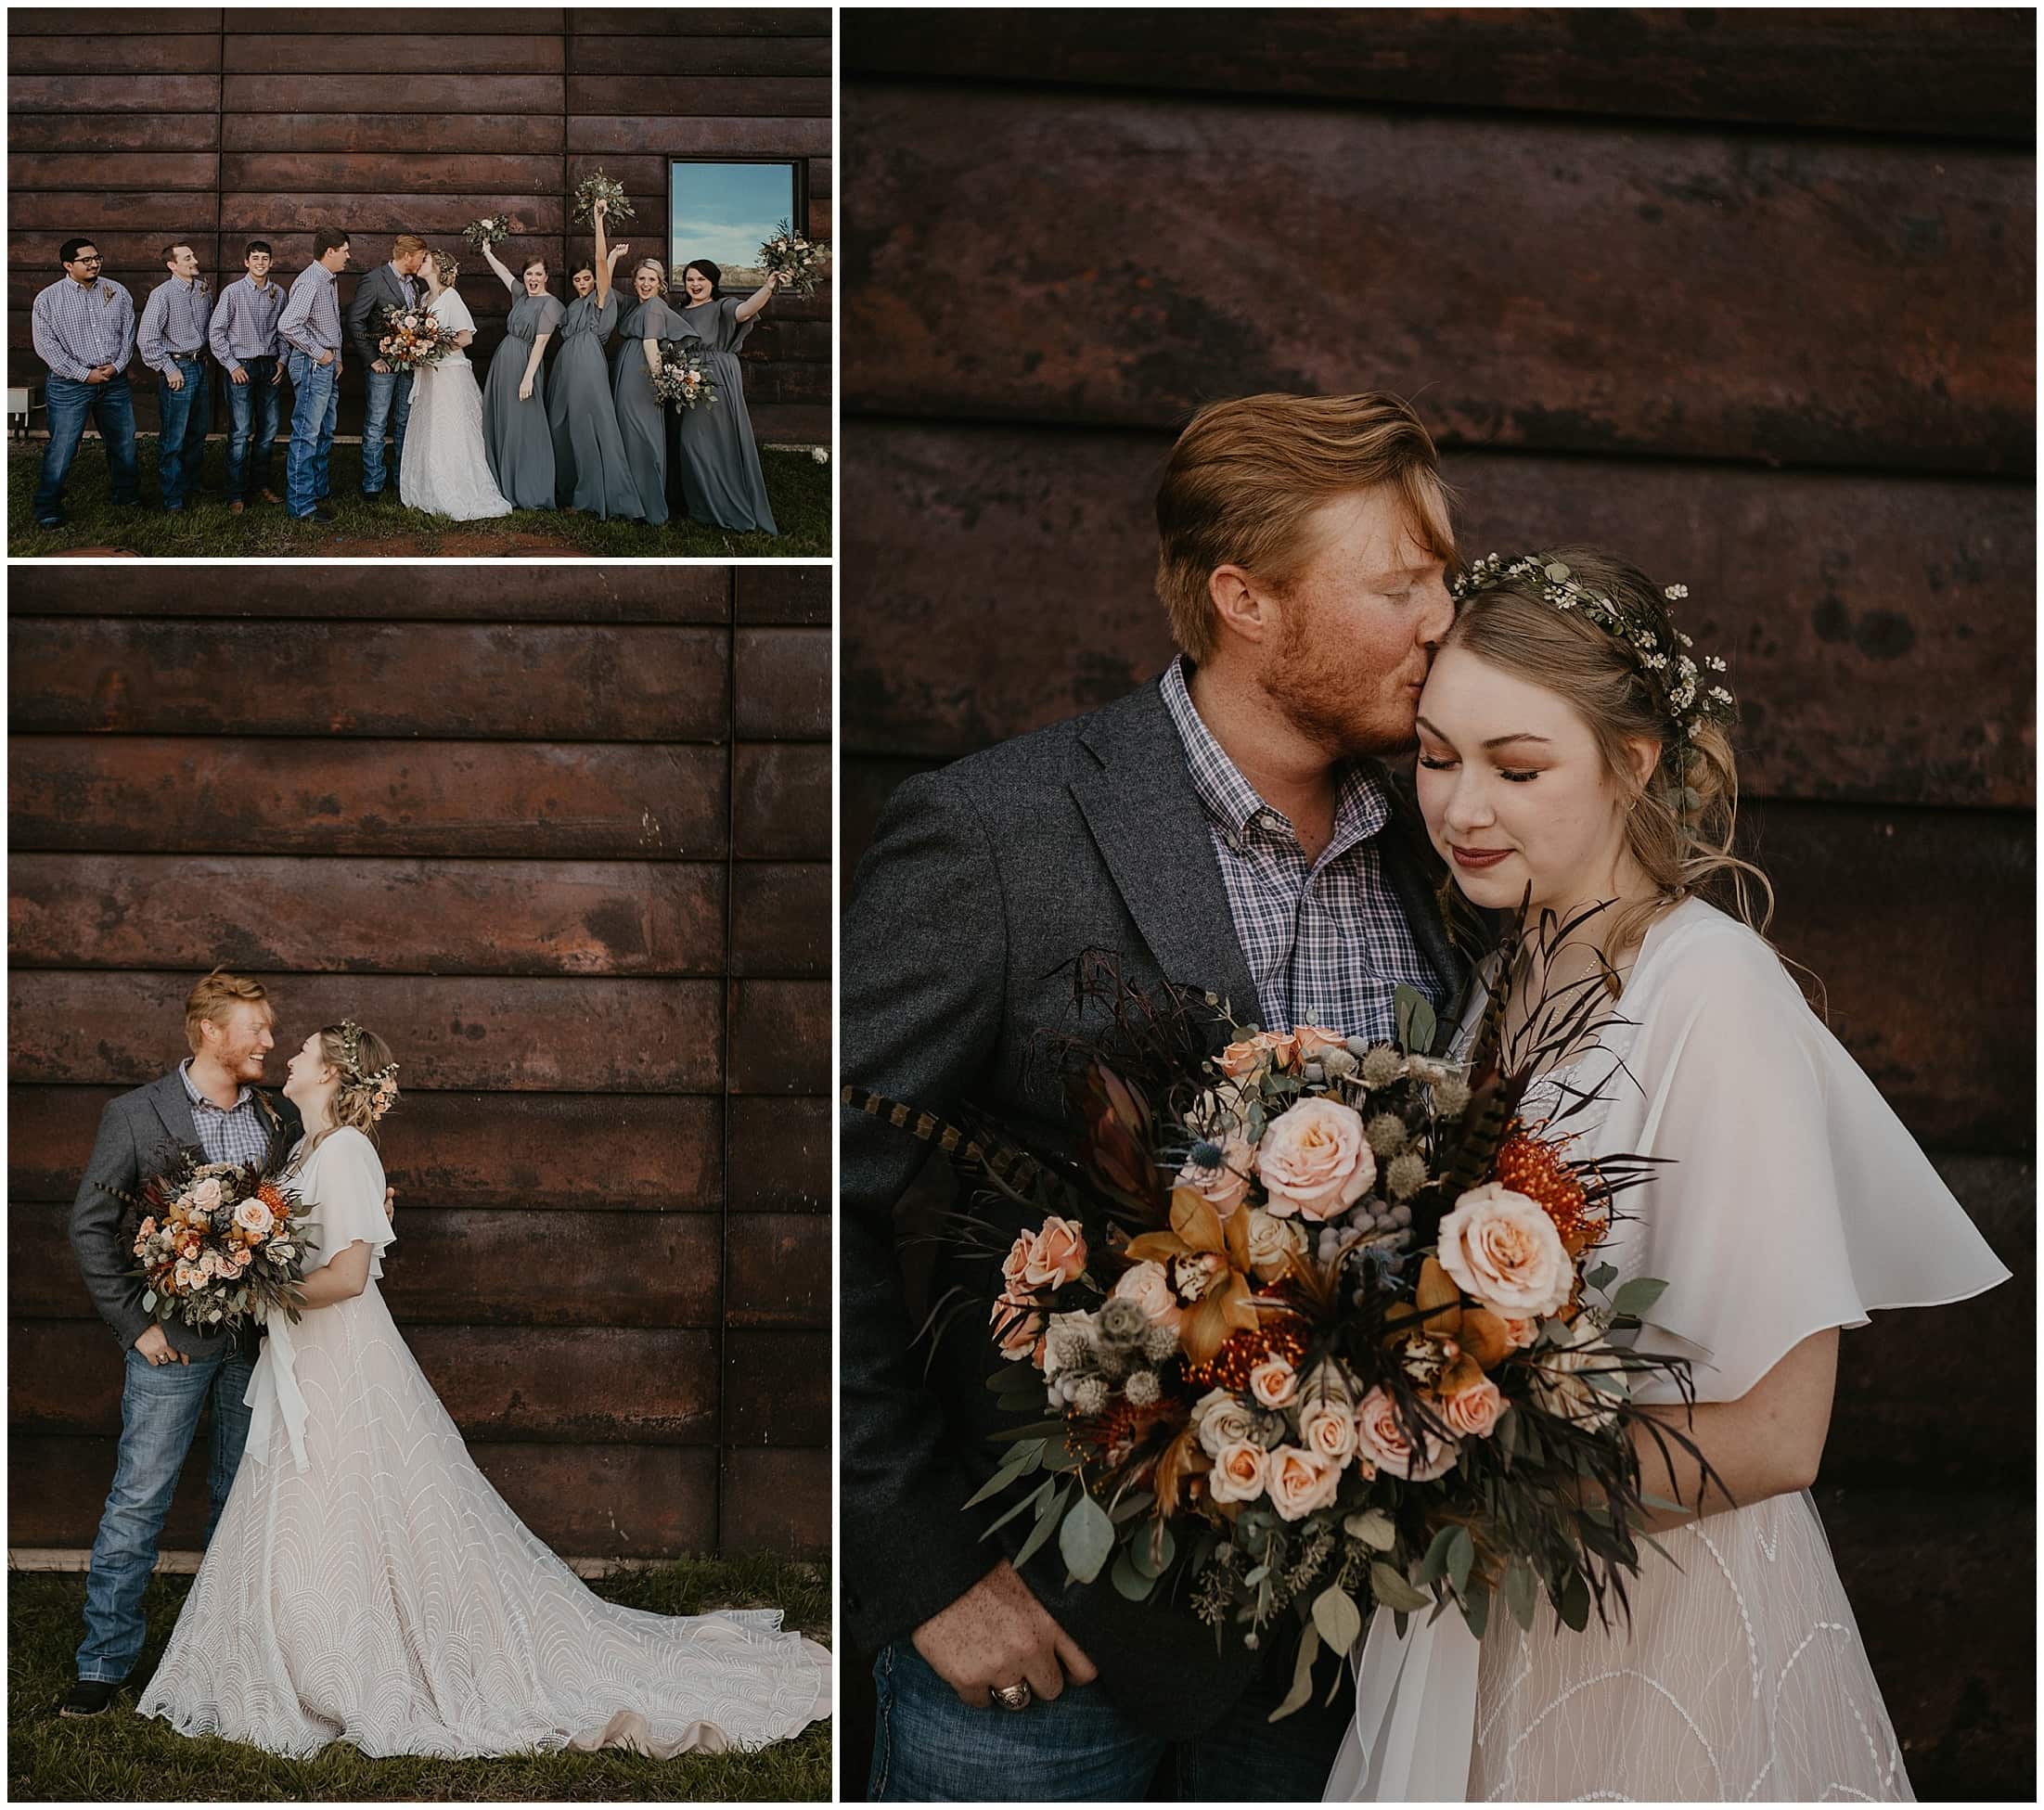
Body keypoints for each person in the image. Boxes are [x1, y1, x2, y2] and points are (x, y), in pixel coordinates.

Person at [841, 392, 1461, 1800]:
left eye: (1444, 577)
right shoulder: (995, 831)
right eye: (1397, 583)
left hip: (1332, 1668)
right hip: (1038, 1648)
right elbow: (809, 1192)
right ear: (1245, 598)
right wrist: (926, 1573)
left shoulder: (1449, 850)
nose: (1441, 618)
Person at [1327, 546, 2012, 1802]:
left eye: (1515, 766)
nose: (1459, 806)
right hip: (1484, 1615)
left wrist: (1452, 1481)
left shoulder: (1708, 990)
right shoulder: (1505, 972)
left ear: (1631, 762)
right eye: (1434, 756)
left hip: (1653, 1634)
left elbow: (1773, 1431)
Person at [137, 1022, 832, 1757]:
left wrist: (257, 1293)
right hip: (308, 1357)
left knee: (342, 1492)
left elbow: (346, 1275)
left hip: (339, 1354)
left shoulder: (345, 1151)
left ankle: (353, 1659)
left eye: (306, 1052)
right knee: (315, 1496)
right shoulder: (307, 1150)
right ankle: (309, 1650)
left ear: (335, 1075)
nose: (291, 1057)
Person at [61, 972, 301, 1718]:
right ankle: (103, 1664)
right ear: (208, 1031)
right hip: (173, 1344)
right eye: (255, 1027)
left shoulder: (280, 1115)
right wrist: (138, 1326)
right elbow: (90, 1228)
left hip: (256, 1343)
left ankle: (222, 1657)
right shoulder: (135, 1116)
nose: (269, 1040)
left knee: (239, 1502)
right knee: (138, 1500)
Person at [31, 237, 141, 528]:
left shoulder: (117, 291)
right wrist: (84, 374)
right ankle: (48, 505)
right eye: (86, 260)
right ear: (68, 265)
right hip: (70, 384)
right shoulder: (48, 299)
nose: (94, 263)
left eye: (97, 258)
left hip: (113, 380)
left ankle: (126, 495)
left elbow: (129, 333)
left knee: (123, 443)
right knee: (63, 447)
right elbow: (47, 347)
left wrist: (117, 365)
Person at [399, 248, 512, 520]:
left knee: (449, 428)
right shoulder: (424, 297)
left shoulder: (451, 297)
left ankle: (456, 487)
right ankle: (429, 487)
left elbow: (465, 338)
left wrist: (431, 346)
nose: (419, 262)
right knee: (430, 427)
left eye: (424, 259)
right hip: (428, 373)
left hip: (448, 373)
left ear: (437, 267)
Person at [546, 199, 642, 519]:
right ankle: (567, 489)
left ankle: (594, 495)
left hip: (588, 362)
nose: (583, 283)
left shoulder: (602, 299)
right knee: (563, 423)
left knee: (589, 424)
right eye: (577, 280)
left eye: (587, 278)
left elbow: (601, 262)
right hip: (565, 364)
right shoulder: (572, 307)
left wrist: (597, 220)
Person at [673, 257, 780, 534]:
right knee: (690, 443)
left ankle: (724, 503)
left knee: (717, 441)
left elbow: (746, 311)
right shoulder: (680, 312)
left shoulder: (723, 305)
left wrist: (767, 287)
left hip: (717, 376)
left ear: (713, 282)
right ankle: (701, 507)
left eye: (701, 280)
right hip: (688, 380)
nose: (695, 285)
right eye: (690, 280)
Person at [478, 237, 565, 509]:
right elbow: (503, 272)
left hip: (525, 365)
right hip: (503, 362)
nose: (533, 278)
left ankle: (527, 486)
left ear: (547, 276)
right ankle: (501, 480)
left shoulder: (551, 305)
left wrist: (528, 377)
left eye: (539, 273)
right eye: (529, 273)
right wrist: (487, 252)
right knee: (503, 418)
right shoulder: (521, 296)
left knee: (523, 424)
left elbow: (541, 343)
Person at [342, 233, 429, 501]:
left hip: (408, 364)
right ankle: (372, 484)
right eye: (420, 257)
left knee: (404, 422)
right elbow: (356, 321)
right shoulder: (374, 280)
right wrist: (372, 359)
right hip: (382, 366)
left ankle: (401, 479)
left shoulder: (414, 285)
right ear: (406, 257)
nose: (423, 262)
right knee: (376, 424)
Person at [207, 238, 288, 514]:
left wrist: (282, 361)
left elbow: (283, 331)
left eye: (265, 258)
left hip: (269, 367)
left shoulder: (278, 293)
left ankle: (261, 483)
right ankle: (236, 493)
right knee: (240, 431)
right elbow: (216, 332)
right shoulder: (233, 292)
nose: (260, 263)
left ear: (271, 262)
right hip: (241, 366)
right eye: (255, 258)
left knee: (269, 430)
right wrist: (231, 365)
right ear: (246, 262)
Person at [277, 228, 351, 524]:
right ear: (330, 251)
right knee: (307, 434)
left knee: (324, 431)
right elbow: (288, 325)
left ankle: (318, 491)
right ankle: (301, 505)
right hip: (312, 366)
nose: (349, 256)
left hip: (327, 365)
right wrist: (321, 354)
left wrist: (337, 358)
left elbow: (328, 322)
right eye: (345, 250)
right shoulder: (310, 280)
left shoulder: (327, 279)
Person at [136, 243, 214, 514]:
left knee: (197, 431)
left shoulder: (202, 289)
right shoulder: (163, 295)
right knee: (174, 437)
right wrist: (168, 369)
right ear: (172, 265)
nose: (195, 260)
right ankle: (172, 497)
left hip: (200, 364)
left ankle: (192, 484)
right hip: (178, 368)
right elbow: (147, 339)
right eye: (188, 257)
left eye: (193, 255)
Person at [610, 257, 687, 527]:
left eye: (651, 279)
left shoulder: (654, 306)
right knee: (630, 434)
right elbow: (605, 289)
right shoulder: (636, 304)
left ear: (660, 283)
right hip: (628, 369)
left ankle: (646, 503)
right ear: (634, 281)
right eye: (641, 278)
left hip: (641, 376)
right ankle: (631, 499)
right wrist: (609, 259)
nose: (645, 284)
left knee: (641, 435)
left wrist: (660, 383)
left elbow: (651, 346)